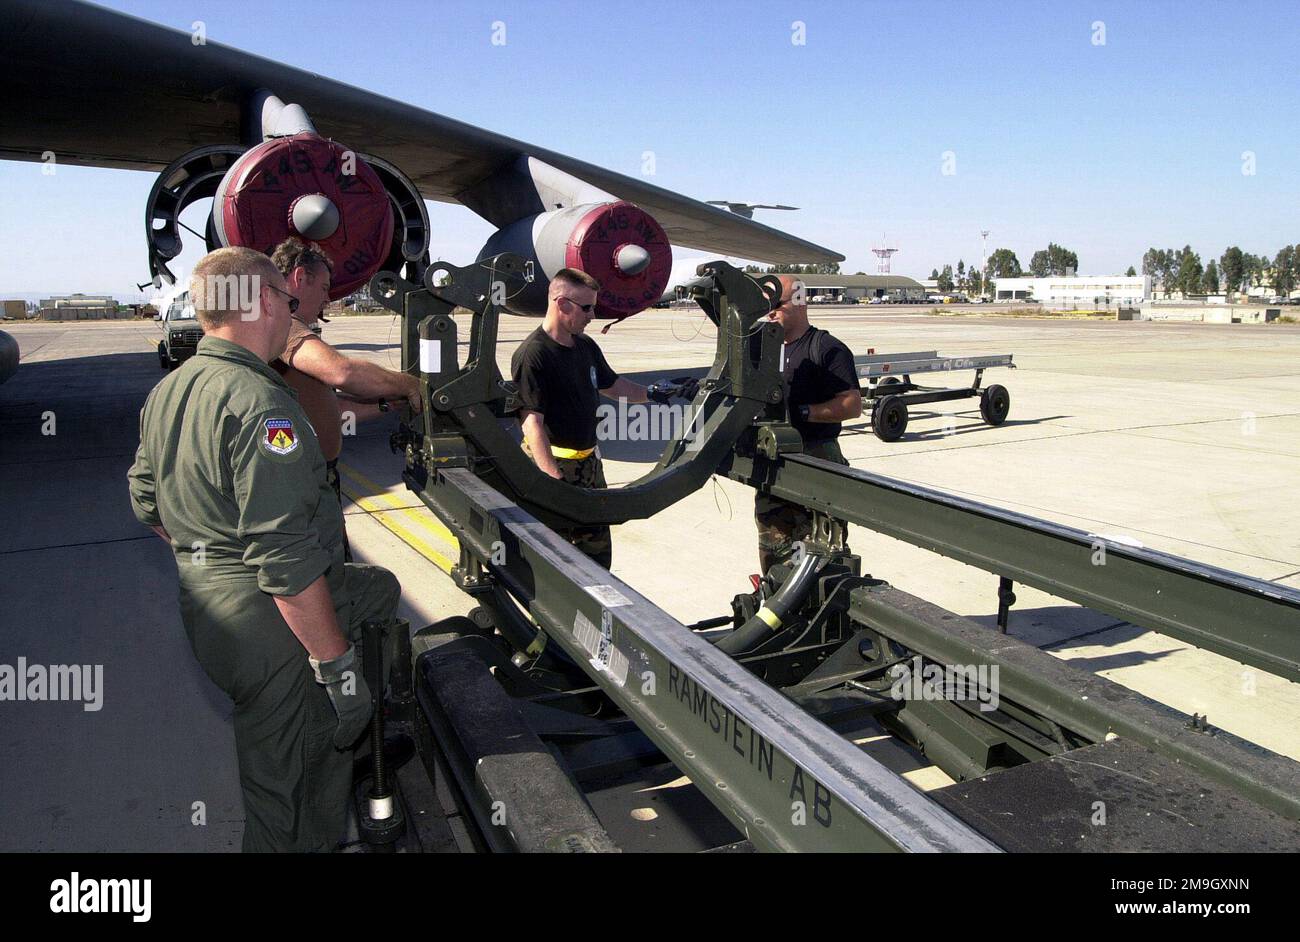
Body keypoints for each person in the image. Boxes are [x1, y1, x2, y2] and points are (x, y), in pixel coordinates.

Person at [127, 246, 403, 852]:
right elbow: (284, 559)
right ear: (256, 303)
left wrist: (213, 554)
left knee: (377, 591)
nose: (292, 307)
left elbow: (148, 504)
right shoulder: (262, 405)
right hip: (273, 630)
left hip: (208, 612)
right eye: (284, 296)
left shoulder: (171, 390)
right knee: (293, 792)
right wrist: (337, 670)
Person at [510, 268, 696, 569]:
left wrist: (656, 392)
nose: (592, 315)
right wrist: (553, 484)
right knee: (554, 563)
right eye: (587, 308)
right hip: (554, 469)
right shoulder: (534, 354)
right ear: (562, 304)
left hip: (589, 469)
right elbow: (532, 424)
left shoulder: (584, 346)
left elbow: (614, 386)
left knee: (596, 559)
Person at [268, 238, 422, 510]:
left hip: (314, 479)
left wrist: (387, 404)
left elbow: (333, 411)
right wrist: (408, 384)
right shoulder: (285, 326)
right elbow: (341, 371)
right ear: (300, 278)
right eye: (324, 288)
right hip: (301, 484)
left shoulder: (287, 332)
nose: (327, 299)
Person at [754, 275, 862, 573]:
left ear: (799, 303)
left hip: (817, 461)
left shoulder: (826, 348)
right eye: (767, 307)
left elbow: (852, 405)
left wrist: (801, 412)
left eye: (777, 304)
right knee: (775, 553)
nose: (771, 312)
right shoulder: (765, 349)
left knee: (822, 555)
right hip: (775, 466)